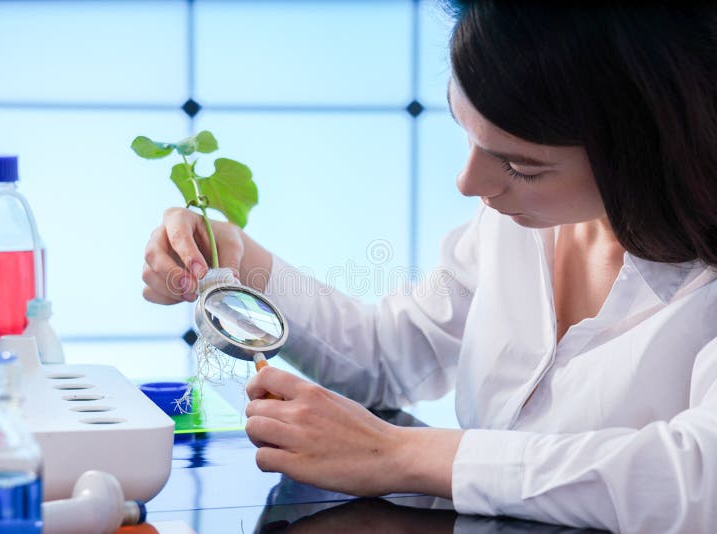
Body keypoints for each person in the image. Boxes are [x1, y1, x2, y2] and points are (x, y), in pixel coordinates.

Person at [141, 1, 717, 531]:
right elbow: (386, 356)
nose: (468, 183)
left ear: (650, 145)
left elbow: (697, 480)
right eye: (467, 133)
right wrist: (244, 263)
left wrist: (401, 455)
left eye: (521, 167)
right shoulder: (520, 225)